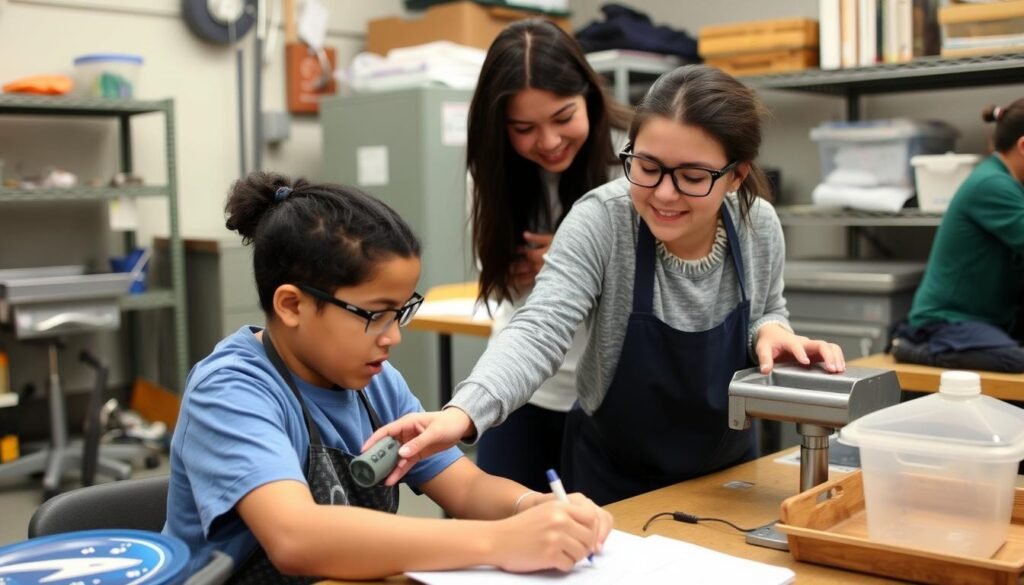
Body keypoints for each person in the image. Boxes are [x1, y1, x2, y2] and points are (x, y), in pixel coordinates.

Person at [366, 65, 846, 506]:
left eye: (692, 177)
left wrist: (770, 330)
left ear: (737, 176)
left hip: (726, 476)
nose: (663, 193)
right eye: (648, 167)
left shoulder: (757, 224)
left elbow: (767, 309)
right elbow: (539, 328)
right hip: (613, 479)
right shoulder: (602, 219)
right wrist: (460, 414)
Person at [162, 172, 612, 582]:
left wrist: (531, 507)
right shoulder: (231, 390)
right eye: (375, 315)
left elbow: (466, 485)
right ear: (292, 306)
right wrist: (500, 542)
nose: (393, 336)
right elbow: (297, 537)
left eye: (401, 312)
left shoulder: (375, 384)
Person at [467, 19, 632, 493]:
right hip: (523, 387)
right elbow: (496, 274)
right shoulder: (493, 168)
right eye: (524, 128)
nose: (549, 141)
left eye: (563, 118)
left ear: (590, 98)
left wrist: (576, 262)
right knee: (501, 532)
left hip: (608, 395)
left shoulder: (633, 158)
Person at [892, 100, 1024, 373]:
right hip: (948, 320)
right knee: (1016, 361)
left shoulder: (1010, 184)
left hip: (990, 319)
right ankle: (917, 350)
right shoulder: (993, 184)